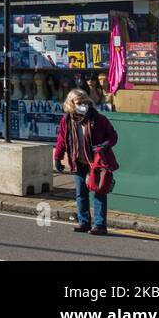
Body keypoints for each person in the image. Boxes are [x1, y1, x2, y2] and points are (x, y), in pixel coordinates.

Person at [54, 87, 119, 235]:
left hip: (96, 162)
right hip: (79, 161)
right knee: (81, 193)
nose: (83, 104)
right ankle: (84, 222)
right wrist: (58, 157)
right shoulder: (67, 120)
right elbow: (62, 141)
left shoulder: (98, 118)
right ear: (71, 104)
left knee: (99, 192)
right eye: (79, 102)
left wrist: (104, 145)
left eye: (85, 101)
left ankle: (100, 225)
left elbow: (113, 136)